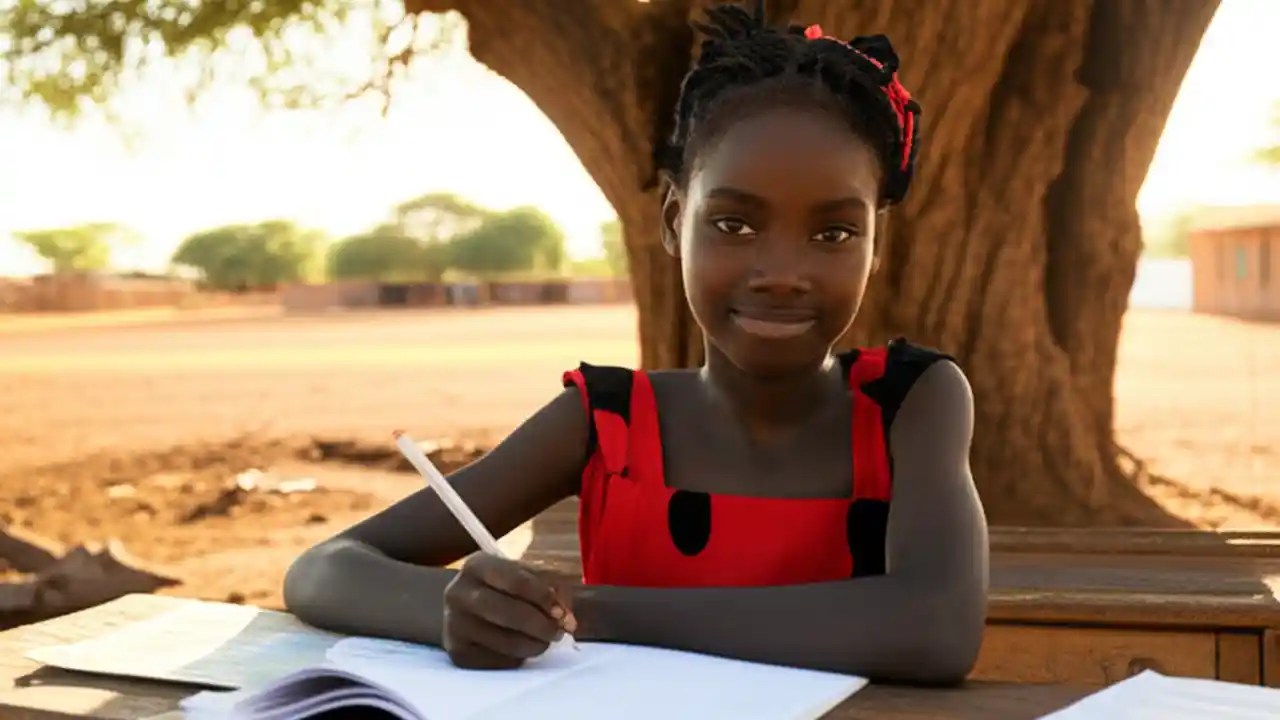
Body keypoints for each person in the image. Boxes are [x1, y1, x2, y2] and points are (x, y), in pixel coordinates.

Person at [284, 0, 987, 684]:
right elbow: (324, 569)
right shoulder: (609, 422)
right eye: (734, 225)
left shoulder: (908, 403)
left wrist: (592, 610)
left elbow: (936, 629)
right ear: (675, 220)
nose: (781, 275)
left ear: (875, 244)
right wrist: (453, 609)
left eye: (832, 233)